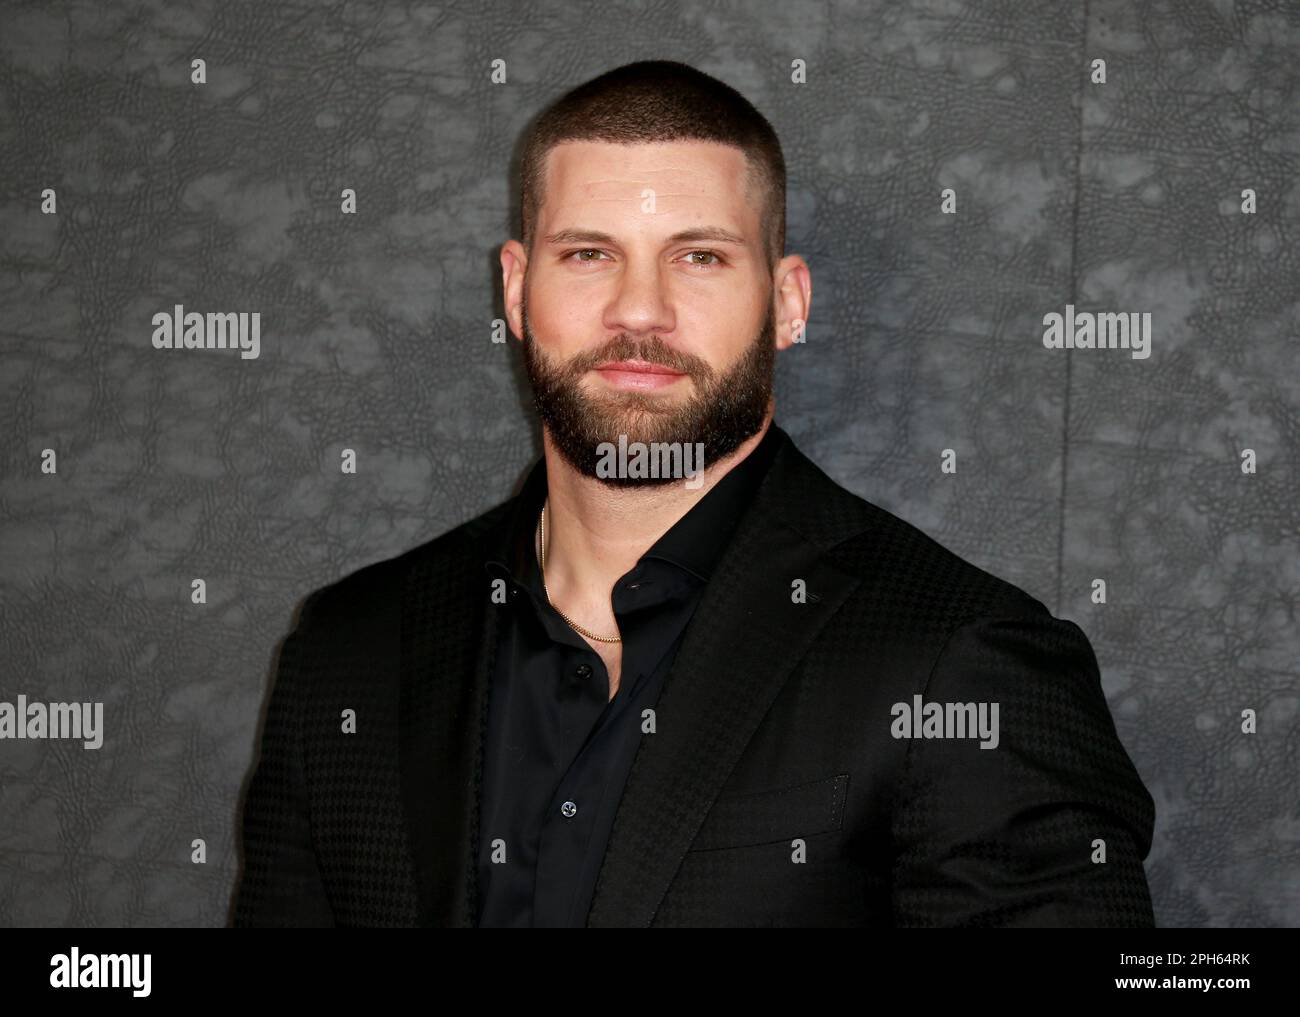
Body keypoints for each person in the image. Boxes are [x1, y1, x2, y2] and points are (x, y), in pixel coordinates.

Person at [233, 60, 1156, 928]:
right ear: (515, 289)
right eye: (590, 253)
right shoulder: (347, 651)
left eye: (700, 257)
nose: (640, 311)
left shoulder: (961, 660)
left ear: (788, 302)